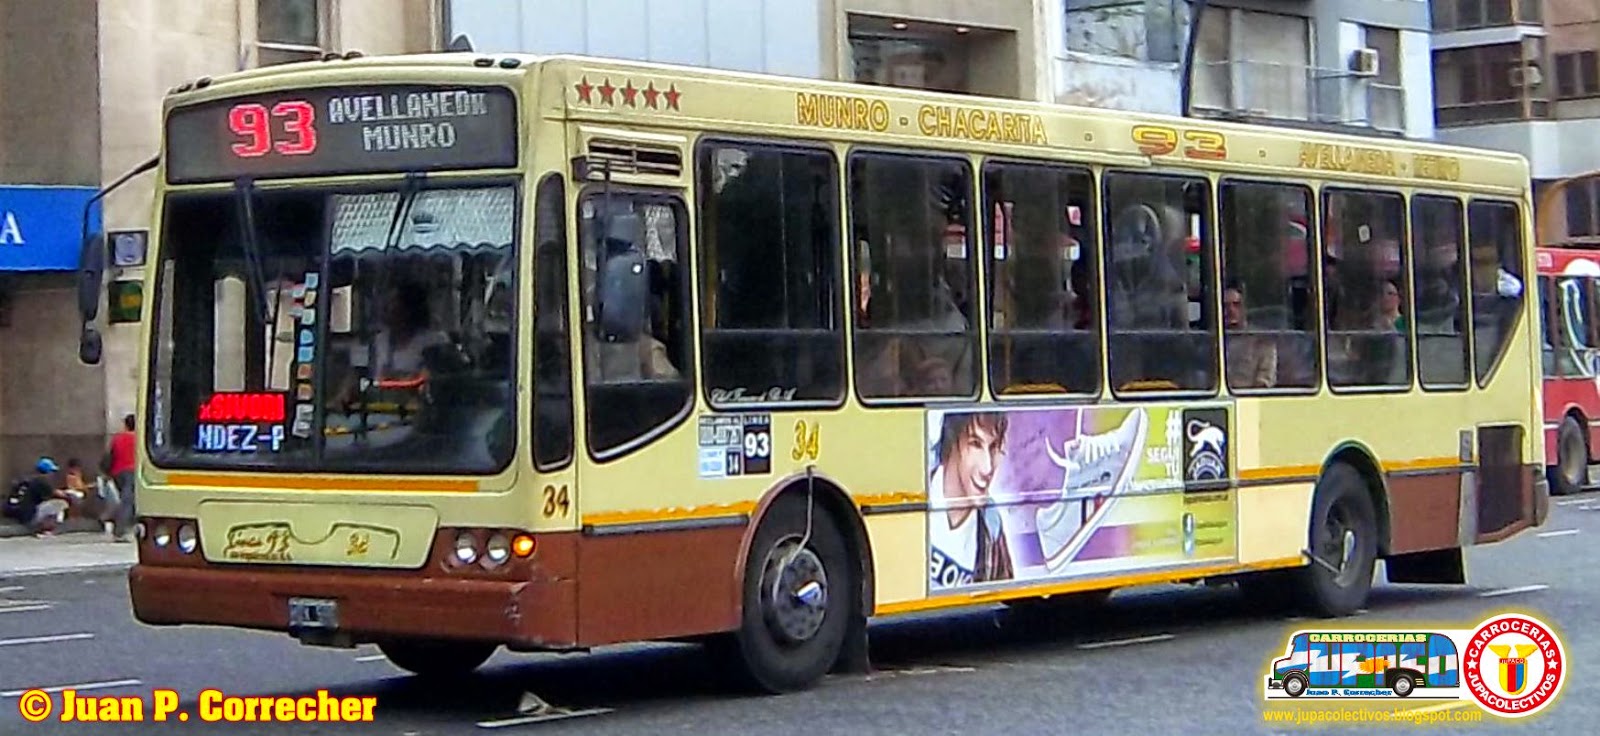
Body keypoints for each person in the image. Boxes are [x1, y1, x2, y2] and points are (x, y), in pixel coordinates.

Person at [928, 412, 1013, 589]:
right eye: (975, 444)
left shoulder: (992, 529)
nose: (987, 467)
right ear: (953, 440)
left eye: (994, 448)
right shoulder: (917, 496)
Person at [1224, 283, 1278, 389]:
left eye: (1236, 304)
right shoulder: (1210, 342)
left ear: (1244, 308)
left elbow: (1265, 379)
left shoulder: (1262, 340)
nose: (1231, 310)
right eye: (1225, 306)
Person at [3, 459, 71, 537]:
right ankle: (47, 529)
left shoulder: (26, 479)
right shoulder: (41, 481)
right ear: (47, 472)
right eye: (52, 471)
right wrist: (67, 494)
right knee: (60, 503)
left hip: (17, 513)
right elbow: (55, 494)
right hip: (30, 517)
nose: (52, 474)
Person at [104, 414, 138, 542]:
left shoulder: (117, 438)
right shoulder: (139, 438)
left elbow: (110, 457)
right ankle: (120, 531)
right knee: (128, 502)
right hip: (133, 471)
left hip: (118, 472)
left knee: (125, 500)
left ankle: (122, 526)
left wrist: (107, 473)